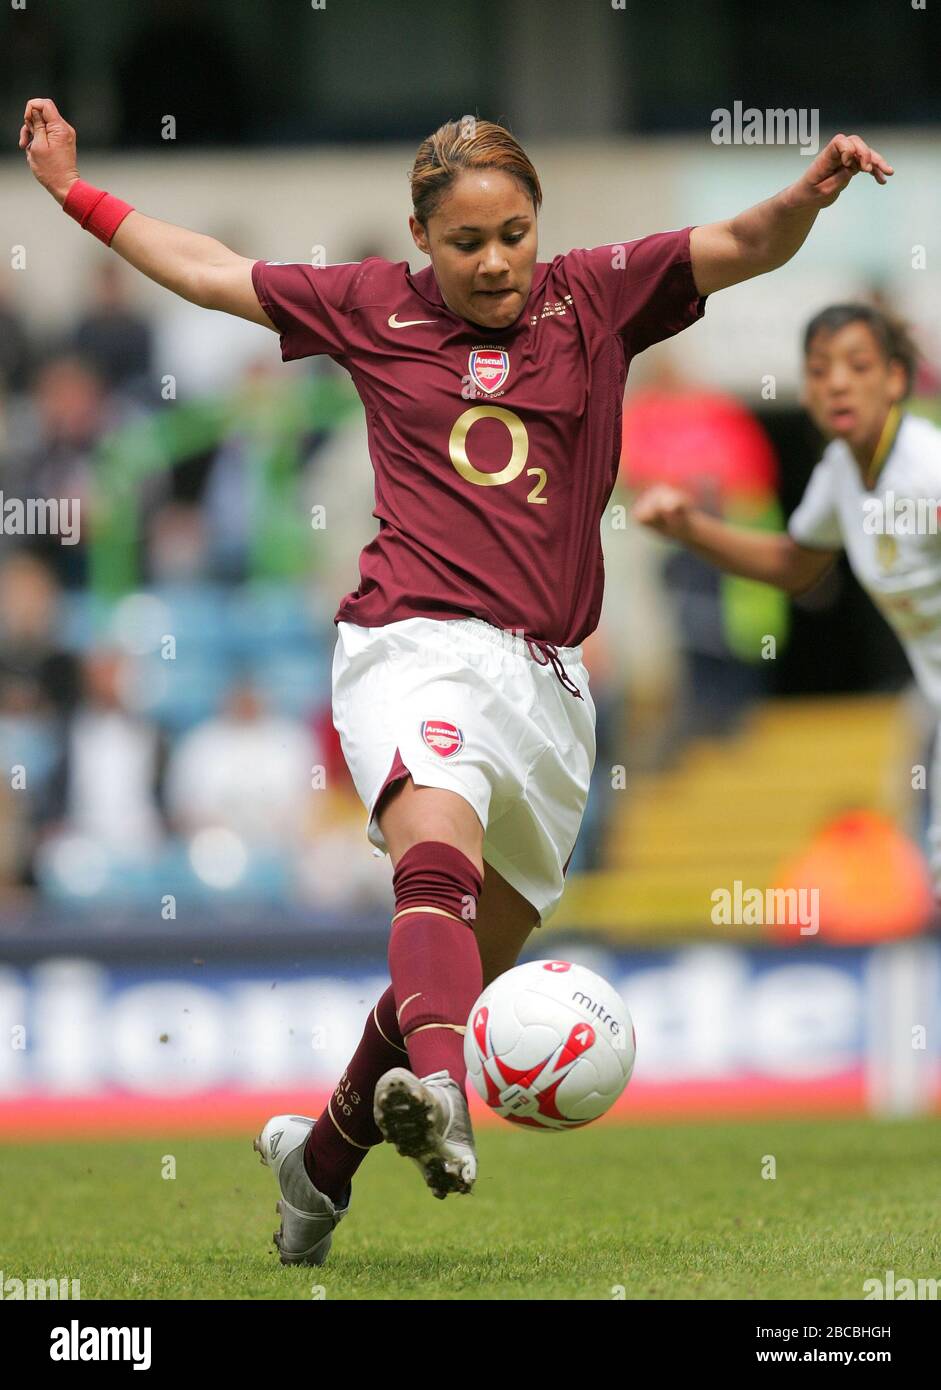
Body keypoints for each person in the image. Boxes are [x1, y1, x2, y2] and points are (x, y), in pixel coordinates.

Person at [20, 97, 894, 1265]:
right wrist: (78, 195)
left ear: (539, 224)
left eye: (514, 234)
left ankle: (318, 1160)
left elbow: (737, 246)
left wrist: (804, 193)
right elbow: (212, 271)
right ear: (420, 240)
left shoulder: (597, 294)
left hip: (549, 686)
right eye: (467, 241)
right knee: (428, 864)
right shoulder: (370, 304)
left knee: (462, 955)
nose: (495, 261)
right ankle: (444, 1090)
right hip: (411, 636)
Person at [633, 303, 941, 886]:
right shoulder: (840, 474)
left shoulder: (928, 469)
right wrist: (690, 529)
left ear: (896, 380)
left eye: (858, 365)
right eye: (820, 370)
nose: (838, 383)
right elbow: (796, 564)